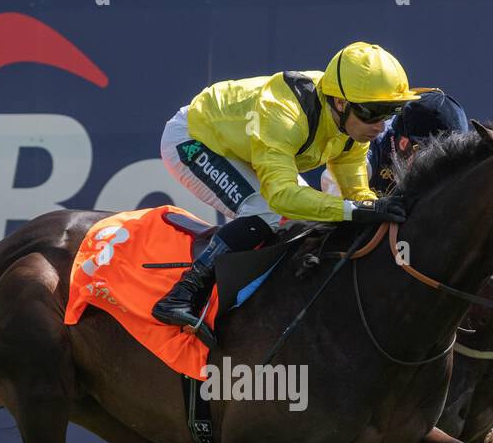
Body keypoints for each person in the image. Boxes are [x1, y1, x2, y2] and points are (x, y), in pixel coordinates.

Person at [154, 41, 421, 346]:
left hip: (246, 147)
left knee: (306, 220)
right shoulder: (284, 110)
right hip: (194, 139)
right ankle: (183, 294)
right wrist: (355, 210)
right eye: (373, 113)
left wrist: (379, 208)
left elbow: (356, 193)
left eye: (391, 112)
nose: (381, 126)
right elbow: (281, 196)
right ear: (339, 103)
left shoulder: (354, 128)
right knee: (266, 208)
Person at [319, 89, 467, 197]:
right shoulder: (371, 143)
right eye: (431, 153)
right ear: (403, 143)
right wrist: (372, 210)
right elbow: (333, 185)